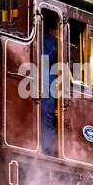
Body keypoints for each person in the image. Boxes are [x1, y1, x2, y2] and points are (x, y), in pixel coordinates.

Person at [40, 14, 59, 156]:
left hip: (36, 78)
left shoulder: (39, 40)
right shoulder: (54, 43)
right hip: (49, 82)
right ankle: (47, 150)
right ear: (53, 29)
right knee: (48, 116)